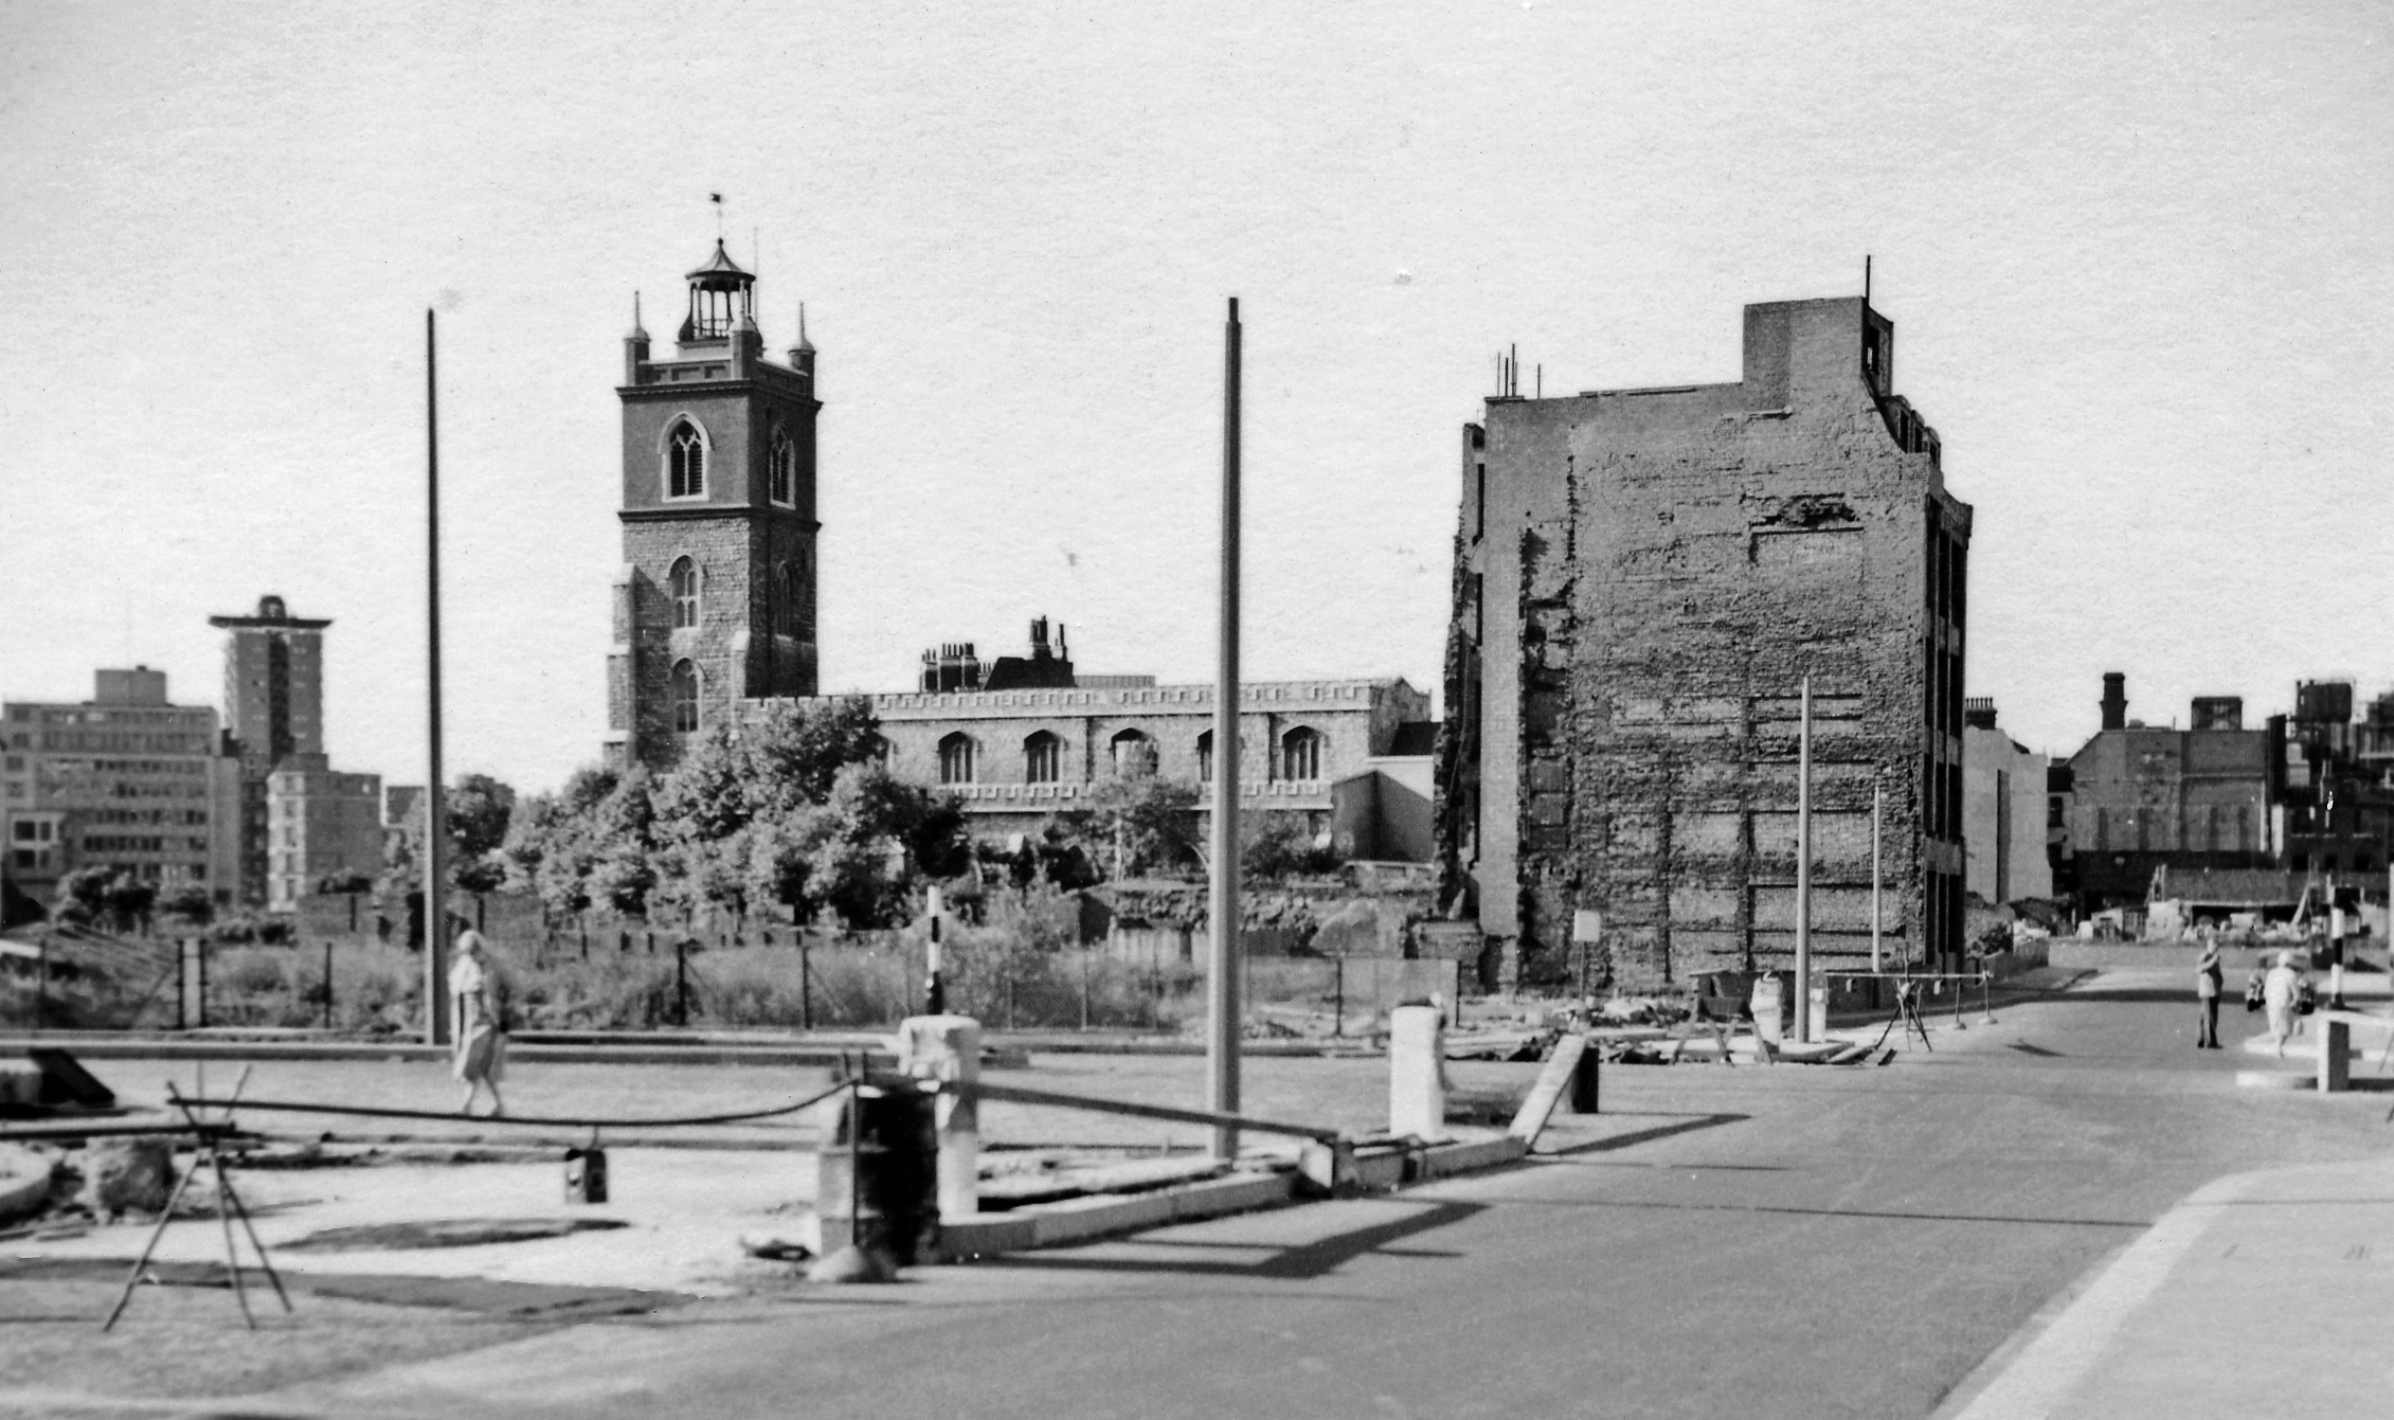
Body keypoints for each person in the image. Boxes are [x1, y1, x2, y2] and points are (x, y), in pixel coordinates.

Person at [449, 929, 508, 1117]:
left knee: (473, 1066)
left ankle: (467, 1106)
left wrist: (498, 1022)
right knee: (482, 1068)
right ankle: (496, 1106)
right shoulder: (467, 965)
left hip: (481, 1025)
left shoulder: (484, 968)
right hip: (469, 1023)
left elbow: (489, 998)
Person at [2263, 950, 2304, 1059]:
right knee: (2285, 1028)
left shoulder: (2272, 973)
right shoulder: (2291, 974)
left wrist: (2267, 1001)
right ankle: (2278, 1046)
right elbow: (2296, 992)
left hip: (2272, 1003)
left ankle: (2278, 1046)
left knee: (2276, 1026)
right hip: (2284, 1004)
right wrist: (2296, 1001)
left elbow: (2266, 990)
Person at [2195, 941, 2223, 1049]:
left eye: (2217, 945)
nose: (2217, 946)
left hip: (2213, 991)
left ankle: (2201, 1040)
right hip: (2208, 991)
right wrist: (2213, 960)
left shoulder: (2212, 956)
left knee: (2204, 1016)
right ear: (2208, 945)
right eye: (2214, 944)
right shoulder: (2205, 956)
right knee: (2210, 1017)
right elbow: (2199, 968)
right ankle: (2211, 1042)